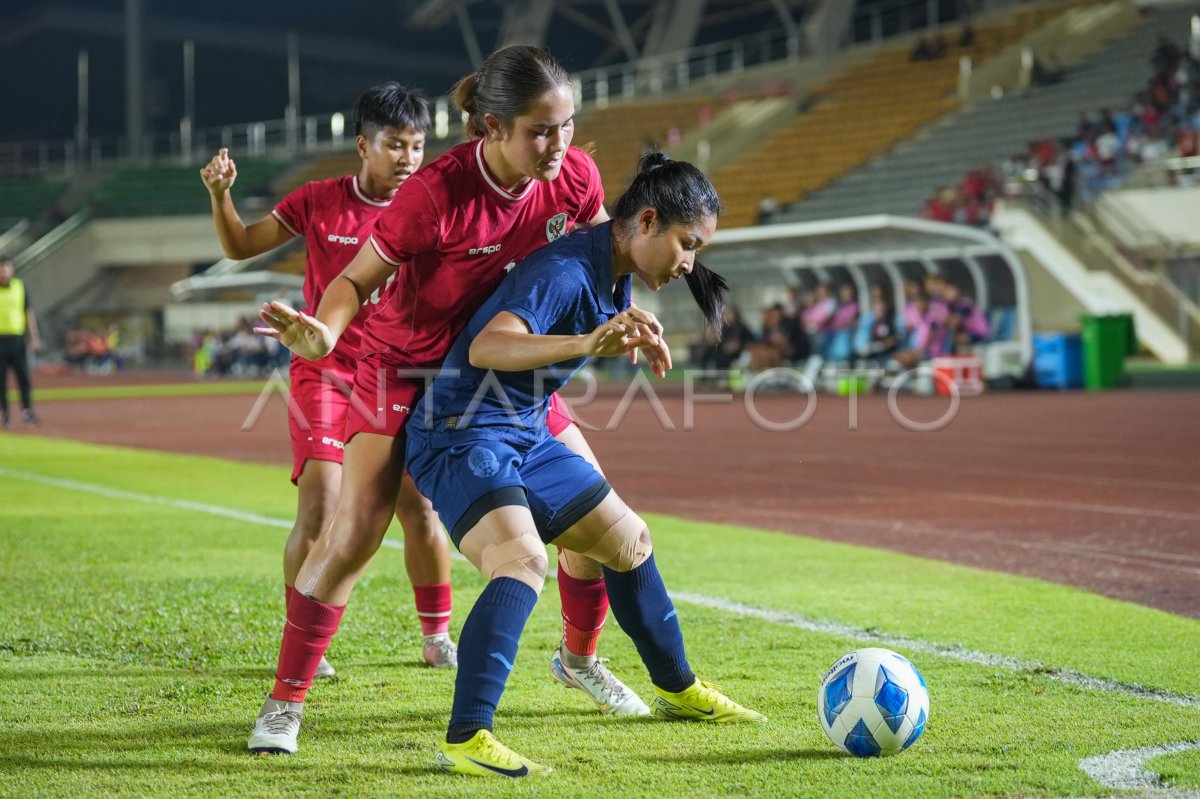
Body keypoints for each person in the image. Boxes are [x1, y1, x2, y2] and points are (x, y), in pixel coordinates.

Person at [250, 45, 652, 756]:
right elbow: (354, 280)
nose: (560, 144)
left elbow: (593, 260)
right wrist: (326, 333)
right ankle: (285, 704)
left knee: (588, 503)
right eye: (540, 130)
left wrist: (618, 320)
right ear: (492, 127)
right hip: (405, 368)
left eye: (567, 125)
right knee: (356, 531)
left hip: (503, 376)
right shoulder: (436, 194)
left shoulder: (574, 176)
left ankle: (580, 659)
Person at [406, 154, 764, 777]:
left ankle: (678, 688)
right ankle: (467, 736)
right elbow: (489, 344)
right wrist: (587, 343)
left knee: (629, 542)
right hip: (461, 429)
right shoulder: (568, 270)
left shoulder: (614, 270)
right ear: (646, 221)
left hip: (522, 428)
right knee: (522, 562)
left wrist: (625, 331)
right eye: (687, 244)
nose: (690, 263)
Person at [199, 84, 460, 680]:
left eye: (417, 146)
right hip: (324, 370)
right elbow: (240, 244)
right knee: (320, 506)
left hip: (395, 374)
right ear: (364, 145)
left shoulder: (430, 207)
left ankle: (437, 636)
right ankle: (305, 641)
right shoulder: (319, 200)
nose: (408, 158)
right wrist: (221, 195)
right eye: (395, 145)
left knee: (418, 508)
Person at [0, 257, 41, 428]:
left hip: (17, 339)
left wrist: (34, 336)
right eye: (1, 269)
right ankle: (5, 414)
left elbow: (28, 312)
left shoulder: (19, 287)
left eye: (6, 268)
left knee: (23, 377)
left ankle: (27, 411)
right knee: (1, 380)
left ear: (12, 270)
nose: (3, 272)